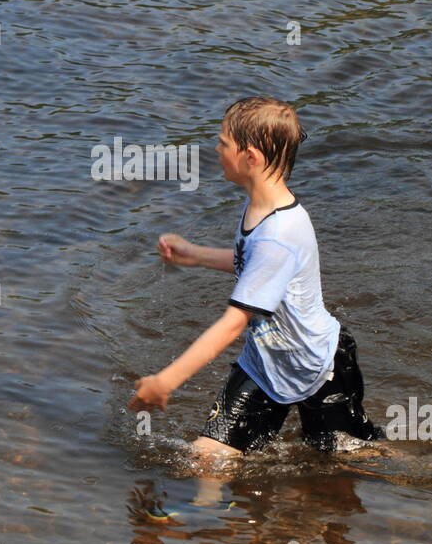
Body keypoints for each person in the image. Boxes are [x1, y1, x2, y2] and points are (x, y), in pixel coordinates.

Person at [129, 96, 385, 458]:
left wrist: (165, 381)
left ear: (251, 157)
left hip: (317, 368)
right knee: (206, 458)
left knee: (351, 459)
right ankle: (208, 512)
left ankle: (426, 479)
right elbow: (255, 268)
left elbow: (233, 324)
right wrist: (197, 255)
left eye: (223, 143)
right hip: (264, 365)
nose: (216, 150)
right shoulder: (260, 207)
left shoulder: (279, 235)